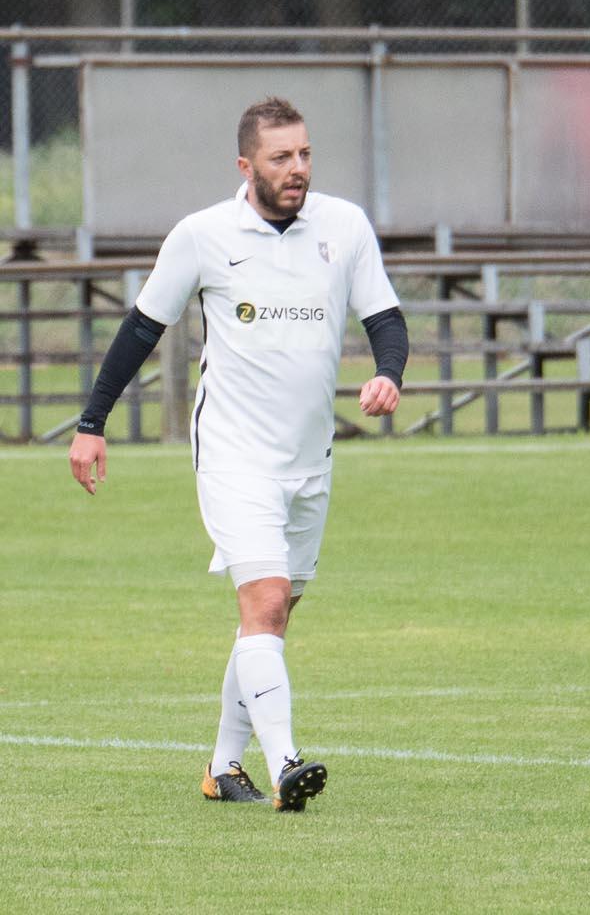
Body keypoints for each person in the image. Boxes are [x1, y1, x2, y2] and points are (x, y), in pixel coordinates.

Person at [67, 97, 408, 812]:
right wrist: (92, 421)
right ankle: (286, 762)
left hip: (309, 458)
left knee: (273, 619)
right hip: (233, 455)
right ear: (246, 165)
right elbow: (140, 329)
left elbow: (384, 317)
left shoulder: (342, 226)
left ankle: (224, 767)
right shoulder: (204, 235)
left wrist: (388, 372)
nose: (298, 170)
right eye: (282, 158)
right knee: (266, 599)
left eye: (305, 154)